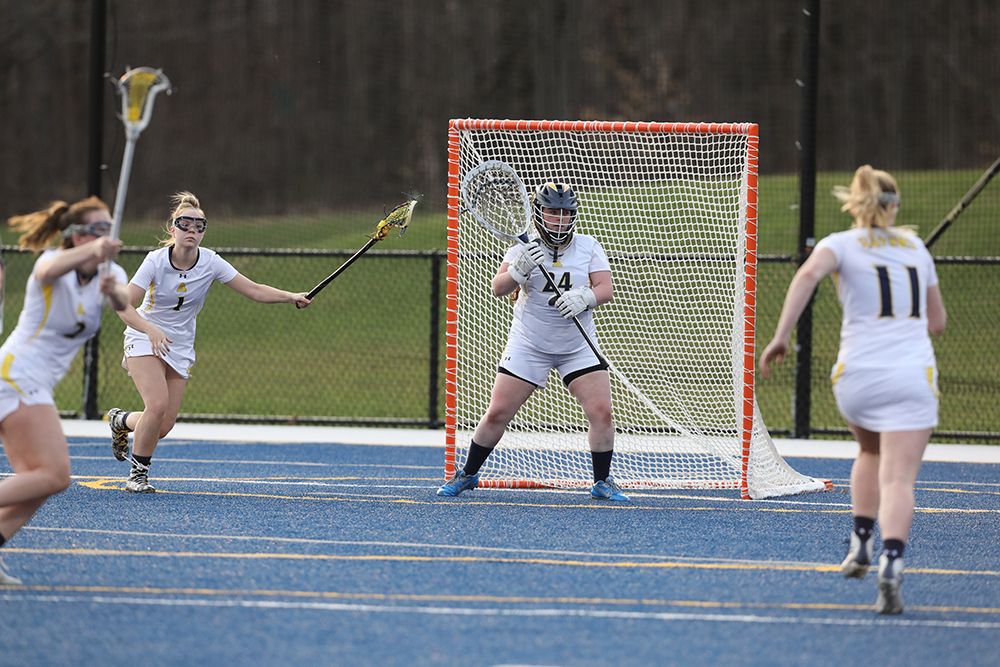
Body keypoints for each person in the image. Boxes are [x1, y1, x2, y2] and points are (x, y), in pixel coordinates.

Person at [759, 165, 946, 615]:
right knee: (899, 478)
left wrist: (781, 335)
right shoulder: (916, 247)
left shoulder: (838, 244)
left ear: (854, 204)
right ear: (894, 204)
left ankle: (861, 538)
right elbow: (937, 322)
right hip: (911, 375)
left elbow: (806, 278)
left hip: (857, 375)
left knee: (868, 452)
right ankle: (892, 562)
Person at [106, 192, 312, 493]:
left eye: (199, 225)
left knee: (162, 426)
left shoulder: (211, 262)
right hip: (143, 336)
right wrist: (150, 330)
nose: (192, 230)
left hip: (179, 344)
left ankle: (120, 421)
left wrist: (291, 296)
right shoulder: (155, 261)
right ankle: (138, 475)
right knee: (158, 404)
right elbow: (123, 305)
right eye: (185, 224)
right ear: (173, 228)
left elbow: (253, 290)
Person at [438, 182, 626, 501]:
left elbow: (606, 289)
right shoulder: (521, 250)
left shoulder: (589, 246)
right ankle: (468, 474)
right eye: (553, 212)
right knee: (498, 412)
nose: (560, 219)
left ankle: (602, 482)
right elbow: (498, 288)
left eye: (566, 213)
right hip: (529, 345)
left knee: (601, 411)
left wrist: (586, 297)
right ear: (540, 213)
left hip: (577, 347)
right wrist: (518, 270)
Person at [0, 197, 130, 584]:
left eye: (111, 227)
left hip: (29, 383)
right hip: (16, 375)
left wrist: (114, 292)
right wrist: (95, 250)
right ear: (76, 237)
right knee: (54, 476)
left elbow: (125, 302)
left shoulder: (113, 272)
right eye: (99, 229)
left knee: (37, 486)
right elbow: (50, 268)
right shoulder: (51, 266)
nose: (108, 235)